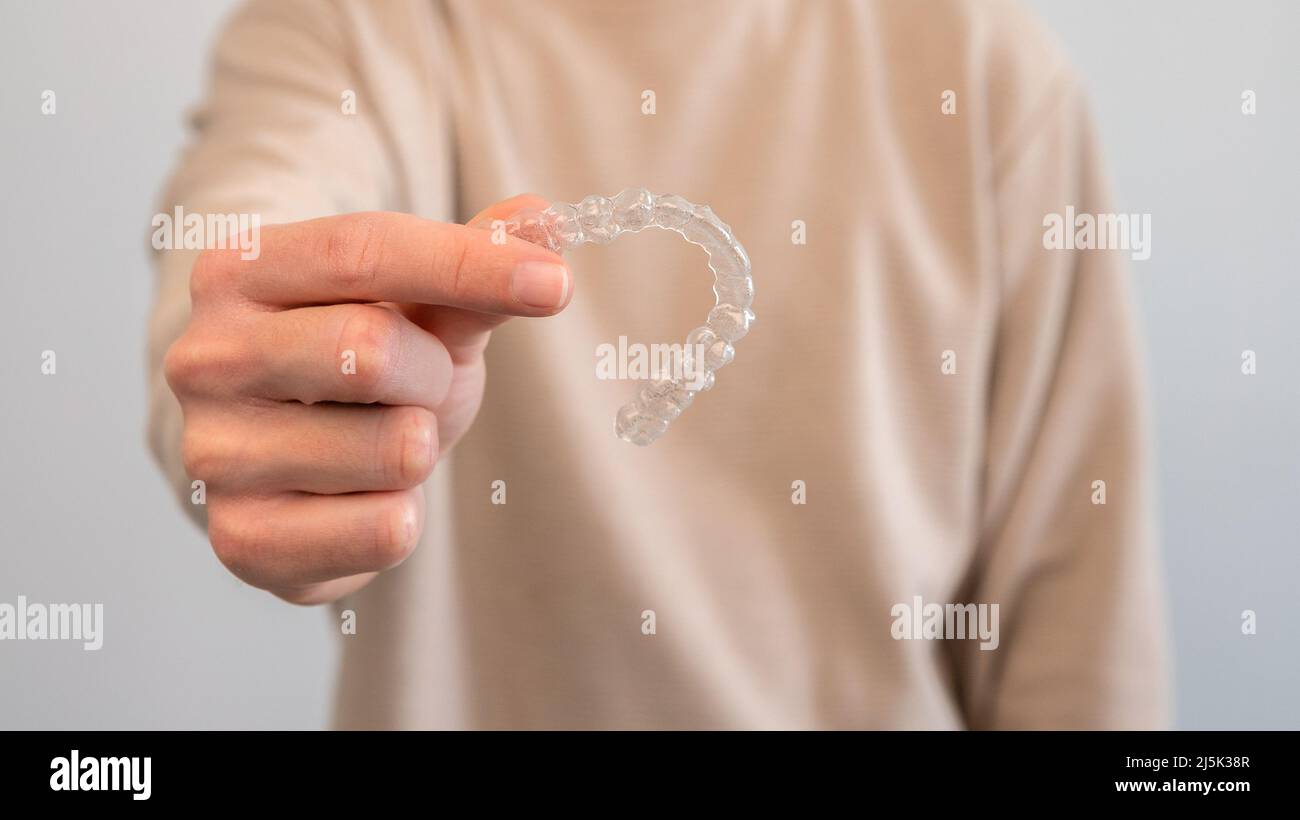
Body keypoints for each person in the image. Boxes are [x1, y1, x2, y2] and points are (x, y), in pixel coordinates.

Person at [147, 0, 1170, 729]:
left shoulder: (986, 76)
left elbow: (1084, 655)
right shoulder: (349, 32)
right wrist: (276, 395)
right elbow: (245, 239)